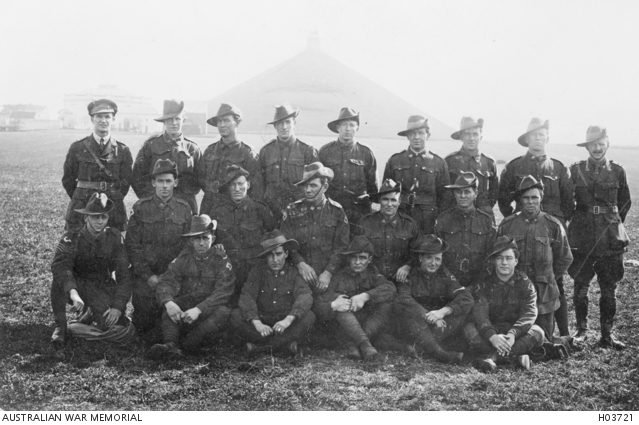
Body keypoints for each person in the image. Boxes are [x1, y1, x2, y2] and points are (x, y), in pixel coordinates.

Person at [568, 126, 631, 349]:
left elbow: (625, 202)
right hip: (582, 236)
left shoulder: (618, 171)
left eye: (600, 143)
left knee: (608, 287)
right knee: (581, 285)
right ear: (587, 146)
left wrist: (610, 221)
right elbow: (568, 204)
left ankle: (607, 334)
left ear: (607, 144)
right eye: (592, 144)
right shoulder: (575, 171)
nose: (597, 148)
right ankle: (581, 330)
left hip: (610, 238)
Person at [497, 176, 573, 346]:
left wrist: (549, 276)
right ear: (520, 200)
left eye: (534, 197)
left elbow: (565, 257)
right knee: (514, 332)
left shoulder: (552, 224)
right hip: (515, 289)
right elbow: (498, 254)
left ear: (541, 198)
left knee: (543, 339)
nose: (530, 202)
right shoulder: (508, 224)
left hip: (544, 291)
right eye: (526, 198)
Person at [50, 193, 133, 348]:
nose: (99, 221)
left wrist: (117, 307)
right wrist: (73, 293)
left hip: (101, 287)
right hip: (77, 284)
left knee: (113, 325)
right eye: (95, 217)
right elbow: (60, 266)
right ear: (86, 218)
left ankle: (82, 323)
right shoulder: (71, 237)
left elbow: (124, 275)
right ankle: (61, 326)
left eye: (103, 217)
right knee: (58, 281)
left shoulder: (114, 237)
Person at [149, 215, 235, 359]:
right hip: (187, 309)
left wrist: (199, 309)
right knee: (171, 306)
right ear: (191, 240)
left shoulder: (221, 260)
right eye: (197, 238)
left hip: (208, 311)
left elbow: (223, 292)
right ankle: (171, 345)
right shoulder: (184, 258)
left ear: (212, 239)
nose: (201, 243)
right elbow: (166, 281)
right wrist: (168, 302)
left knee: (223, 312)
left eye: (205, 238)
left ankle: (188, 345)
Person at [125, 159, 193, 342]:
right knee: (143, 328)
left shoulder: (184, 209)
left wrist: (171, 274)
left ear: (175, 183)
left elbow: (188, 247)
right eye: (160, 181)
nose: (164, 186)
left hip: (174, 277)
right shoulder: (141, 208)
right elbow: (133, 246)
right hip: (147, 278)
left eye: (169, 181)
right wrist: (148, 276)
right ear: (153, 182)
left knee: (174, 322)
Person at [464, 236, 545, 372]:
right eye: (500, 258)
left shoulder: (525, 284)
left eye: (508, 258)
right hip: (491, 331)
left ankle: (493, 359)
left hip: (514, 333)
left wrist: (513, 334)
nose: (504, 263)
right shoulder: (484, 282)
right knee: (469, 329)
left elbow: (529, 314)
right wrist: (493, 337)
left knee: (538, 332)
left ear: (516, 261)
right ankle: (516, 356)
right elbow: (480, 314)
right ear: (494, 261)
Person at [230, 230, 315, 356]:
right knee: (235, 315)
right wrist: (257, 323)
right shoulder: (257, 272)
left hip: (285, 323)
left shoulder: (294, 273)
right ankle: (283, 346)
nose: (275, 259)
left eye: (278, 254)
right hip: (262, 321)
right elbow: (247, 296)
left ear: (286, 254)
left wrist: (287, 320)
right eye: (270, 255)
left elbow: (305, 295)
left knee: (309, 316)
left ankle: (261, 348)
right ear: (265, 257)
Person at [315, 236, 396, 361]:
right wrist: (335, 304)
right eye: (354, 257)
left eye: (362, 258)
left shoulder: (372, 274)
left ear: (370, 259)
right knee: (342, 304)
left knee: (386, 303)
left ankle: (355, 344)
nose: (357, 262)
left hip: (368, 325)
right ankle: (365, 345)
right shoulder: (338, 277)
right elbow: (320, 304)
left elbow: (390, 289)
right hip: (343, 328)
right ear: (348, 258)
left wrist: (365, 296)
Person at [394, 235, 473, 364]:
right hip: (416, 323)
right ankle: (439, 353)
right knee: (407, 311)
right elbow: (403, 299)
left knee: (462, 309)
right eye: (429, 257)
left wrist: (443, 312)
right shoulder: (409, 274)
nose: (433, 263)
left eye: (437, 259)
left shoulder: (444, 273)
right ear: (420, 258)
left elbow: (466, 297)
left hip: (435, 324)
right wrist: (428, 316)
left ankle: (422, 347)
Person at [208, 165, 277, 305]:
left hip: (255, 272)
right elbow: (211, 241)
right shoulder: (217, 212)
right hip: (227, 272)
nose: (237, 188)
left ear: (248, 185)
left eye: (240, 184)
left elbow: (274, 237)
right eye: (233, 185)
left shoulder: (260, 209)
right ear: (228, 188)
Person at [61, 99, 132, 231]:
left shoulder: (123, 150)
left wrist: (114, 197)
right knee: (78, 245)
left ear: (113, 119)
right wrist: (80, 196)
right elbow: (68, 179)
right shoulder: (77, 147)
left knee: (112, 246)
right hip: (82, 205)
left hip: (112, 206)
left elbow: (126, 181)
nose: (103, 120)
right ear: (92, 119)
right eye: (99, 116)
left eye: (107, 117)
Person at [280, 162, 350, 293]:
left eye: (313, 185)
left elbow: (342, 247)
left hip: (328, 274)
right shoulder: (292, 210)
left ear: (325, 187)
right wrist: (300, 263)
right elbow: (285, 242)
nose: (308, 190)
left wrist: (328, 272)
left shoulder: (337, 211)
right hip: (299, 273)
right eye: (305, 185)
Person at [131, 99, 202, 214]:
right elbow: (137, 178)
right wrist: (152, 199)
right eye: (169, 119)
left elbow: (200, 181)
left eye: (177, 119)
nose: (174, 123)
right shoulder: (150, 146)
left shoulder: (192, 149)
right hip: (155, 208)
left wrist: (184, 197)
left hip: (185, 208)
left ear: (183, 120)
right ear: (164, 121)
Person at [498, 118, 573, 224]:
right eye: (534, 135)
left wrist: (558, 222)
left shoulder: (560, 168)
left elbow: (568, 203)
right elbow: (503, 200)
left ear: (547, 139)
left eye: (541, 135)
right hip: (522, 225)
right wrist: (515, 220)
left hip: (552, 227)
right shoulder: (514, 166)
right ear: (527, 139)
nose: (538, 138)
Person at [384, 115, 451, 234]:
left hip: (428, 222)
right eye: (412, 133)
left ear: (428, 135)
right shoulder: (395, 161)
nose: (416, 137)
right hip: (400, 218)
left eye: (420, 133)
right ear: (408, 136)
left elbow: (445, 198)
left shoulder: (438, 163)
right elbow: (386, 194)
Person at [259, 103, 319, 223]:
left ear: (294, 124)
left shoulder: (307, 150)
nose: (284, 127)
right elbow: (260, 185)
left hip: (301, 212)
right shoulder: (266, 151)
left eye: (288, 122)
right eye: (280, 123)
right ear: (275, 126)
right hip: (272, 213)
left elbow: (316, 185)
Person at [434, 172, 496, 288]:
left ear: (475, 194)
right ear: (454, 194)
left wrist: (476, 285)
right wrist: (451, 282)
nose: (463, 196)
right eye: (459, 192)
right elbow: (437, 254)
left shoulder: (486, 221)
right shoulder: (444, 219)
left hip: (479, 283)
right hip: (448, 282)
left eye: (467, 192)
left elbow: (491, 257)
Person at [319, 107, 378, 228]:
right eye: (344, 125)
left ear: (357, 128)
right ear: (337, 127)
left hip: (359, 211)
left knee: (359, 243)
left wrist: (374, 206)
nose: (347, 129)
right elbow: (319, 182)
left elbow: (373, 185)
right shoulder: (325, 152)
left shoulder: (366, 152)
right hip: (332, 210)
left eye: (351, 125)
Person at [199, 103, 262, 215]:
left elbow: (256, 189)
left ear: (236, 123)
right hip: (209, 208)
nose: (222, 125)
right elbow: (202, 180)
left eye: (226, 120)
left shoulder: (247, 152)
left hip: (234, 213)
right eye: (219, 121)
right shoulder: (210, 151)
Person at [356, 179, 420, 283]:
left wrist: (407, 266)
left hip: (401, 279)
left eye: (393, 200)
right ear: (379, 201)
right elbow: (356, 253)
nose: (389, 204)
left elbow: (417, 253)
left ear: (399, 202)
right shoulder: (365, 222)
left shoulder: (410, 224)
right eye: (385, 199)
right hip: (371, 279)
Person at [445, 117, 498, 218]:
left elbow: (494, 193)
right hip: (456, 216)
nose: (471, 138)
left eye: (475, 134)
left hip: (483, 216)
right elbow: (445, 193)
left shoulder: (489, 162)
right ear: (461, 137)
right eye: (467, 134)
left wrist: (484, 207)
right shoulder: (450, 161)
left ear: (481, 137)